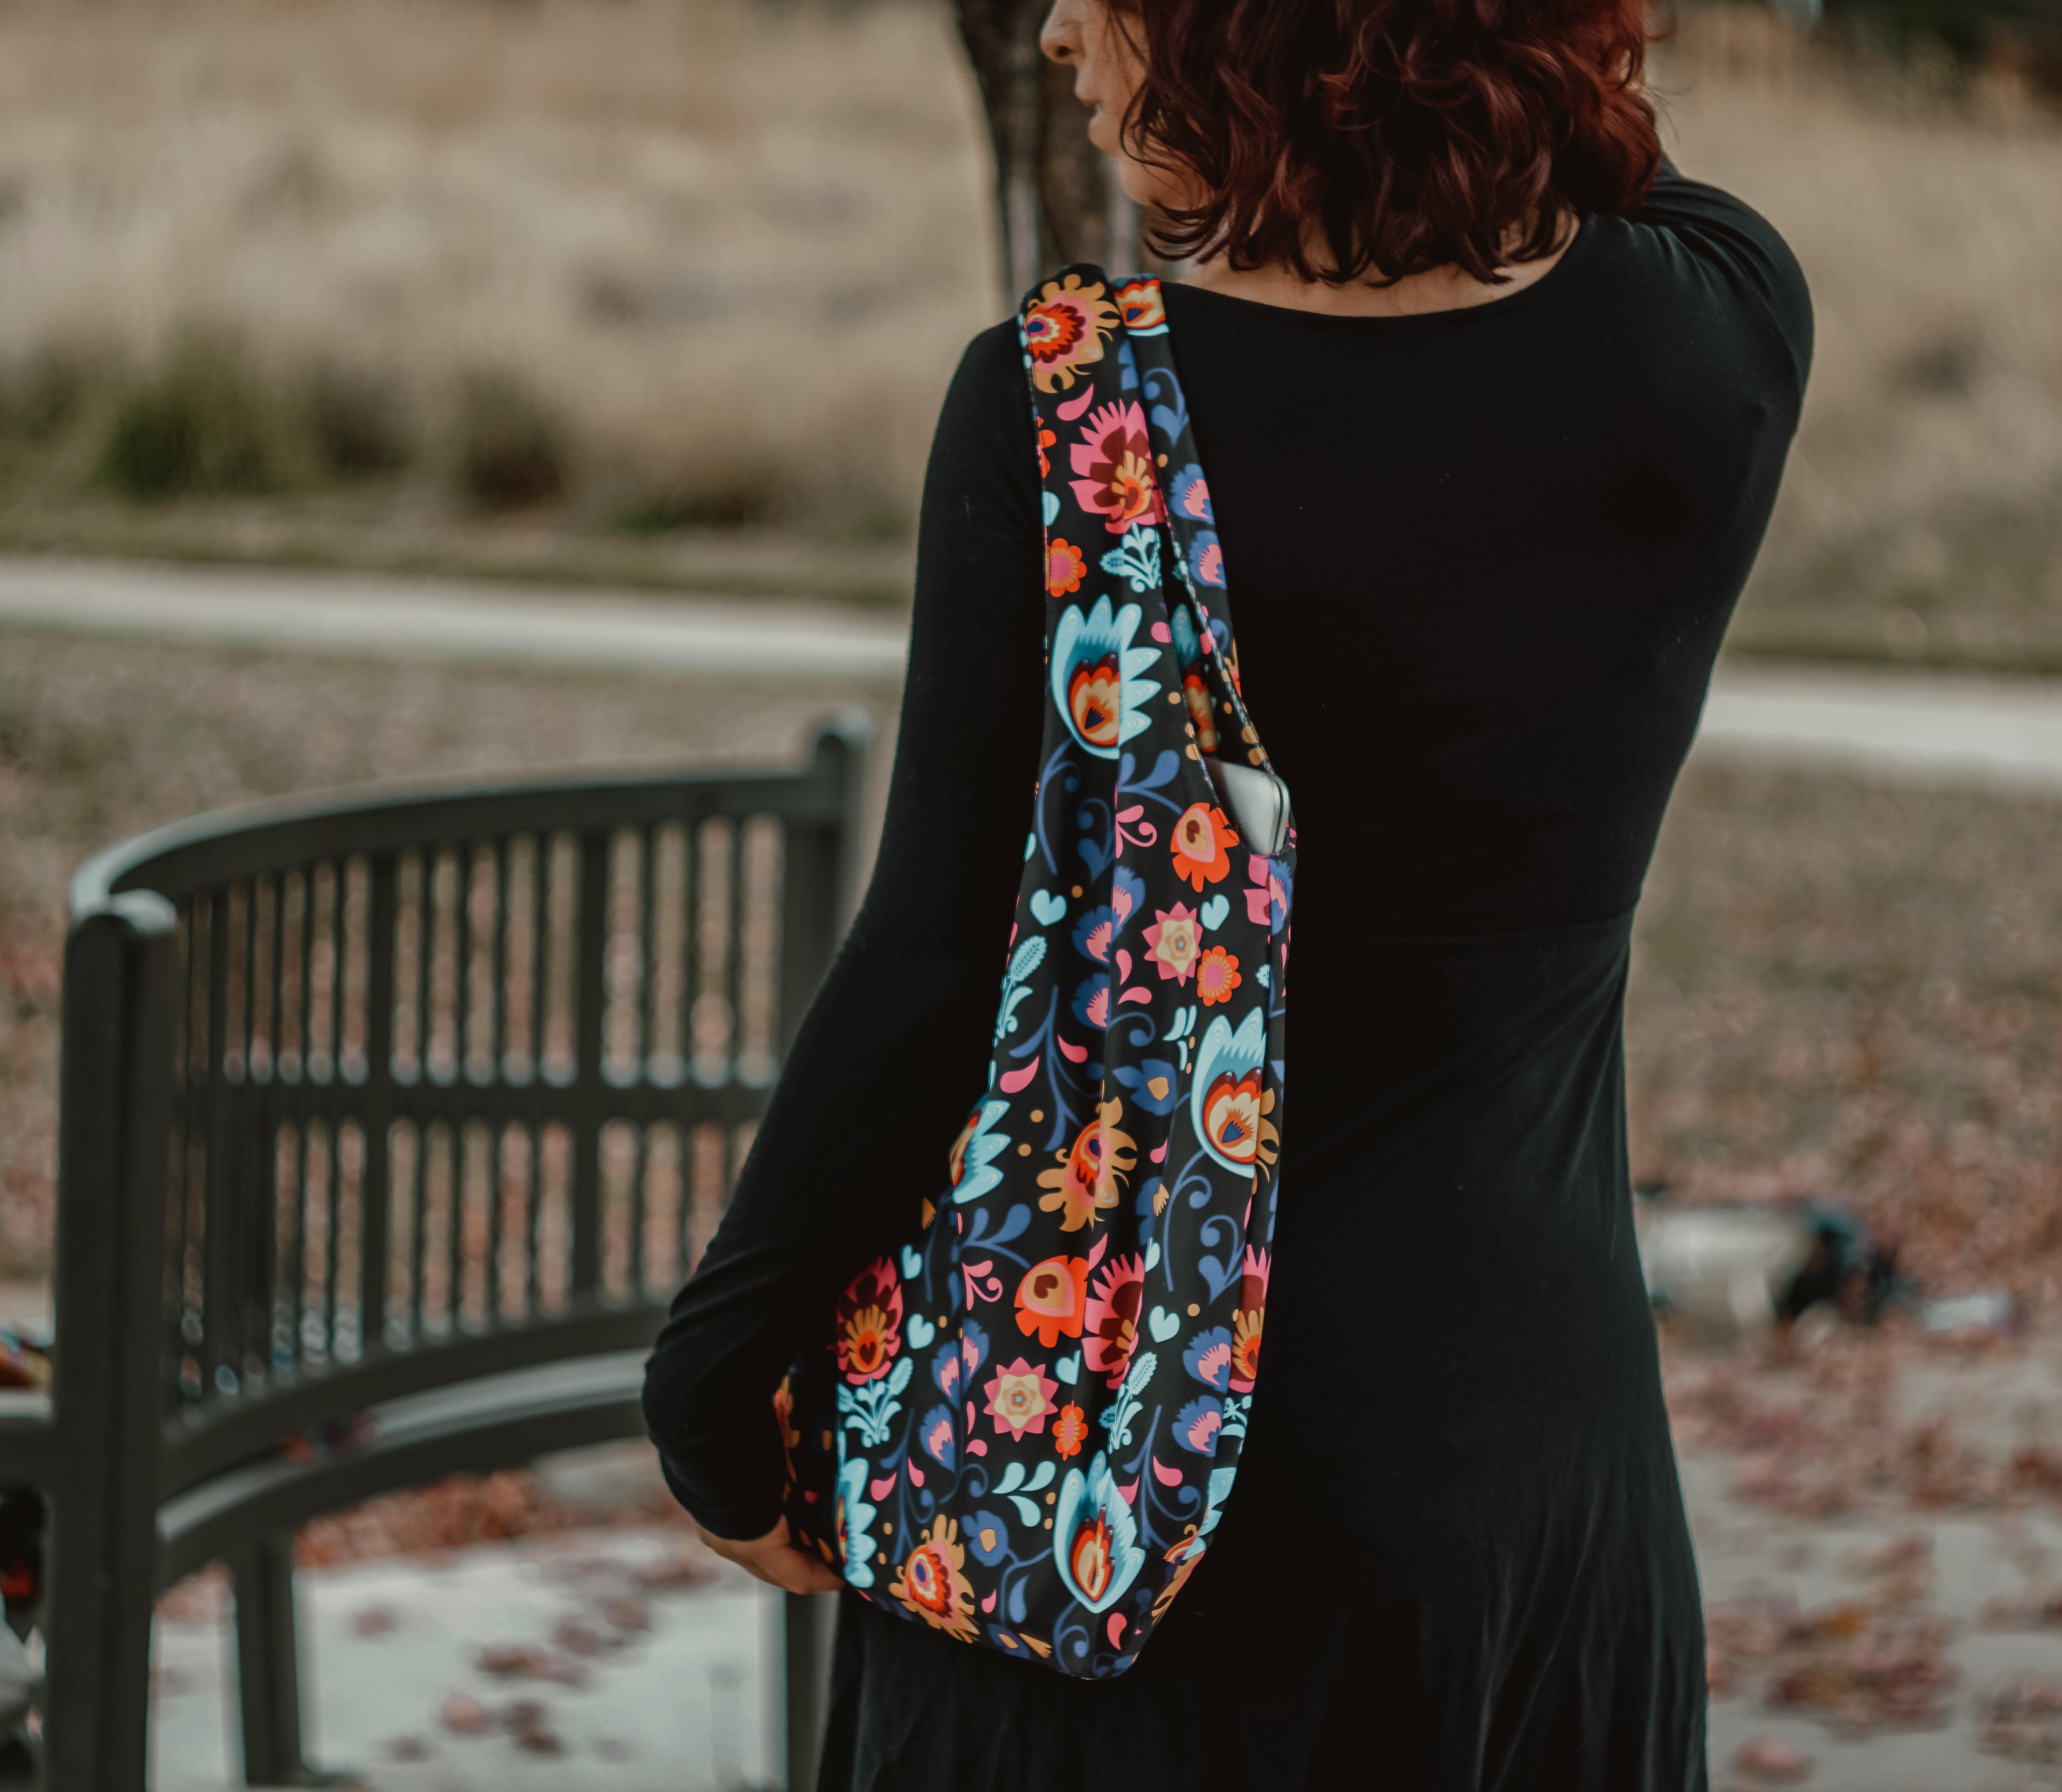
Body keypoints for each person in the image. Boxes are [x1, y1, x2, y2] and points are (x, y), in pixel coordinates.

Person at [641, 0, 1812, 1782]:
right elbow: (1611, 170)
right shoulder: (1720, 335)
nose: (1049, 32)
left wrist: (716, 1391)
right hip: (1553, 1494)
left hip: (1126, 1518)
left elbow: (933, 967)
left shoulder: (1063, 417)